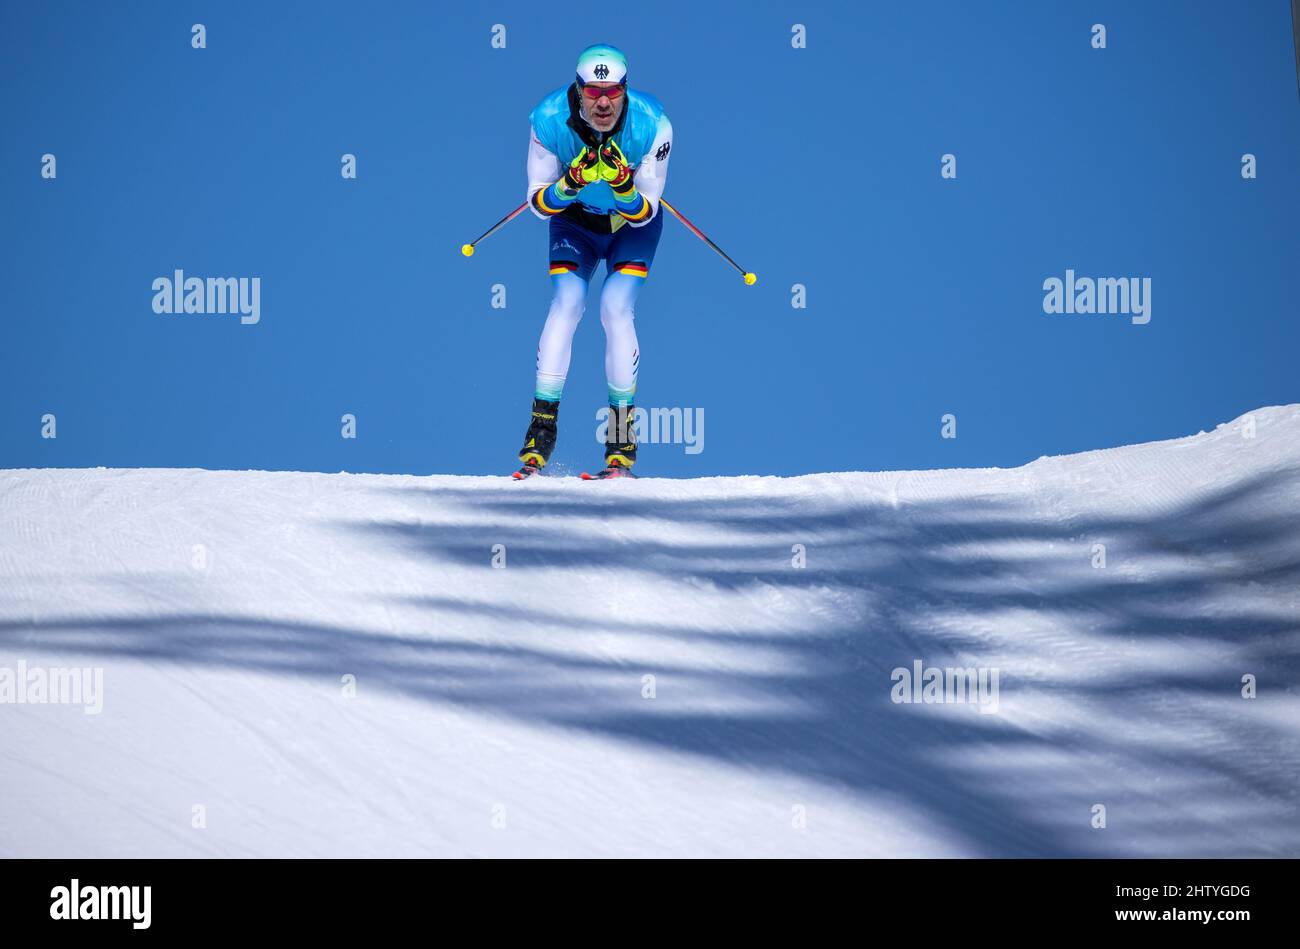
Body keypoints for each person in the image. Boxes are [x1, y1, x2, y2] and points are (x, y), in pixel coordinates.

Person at [514, 44, 672, 479]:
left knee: (614, 307)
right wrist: (570, 182)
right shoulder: (547, 120)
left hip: (630, 228)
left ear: (625, 89)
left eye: (613, 91)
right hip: (575, 225)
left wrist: (623, 185)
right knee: (567, 301)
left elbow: (647, 209)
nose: (603, 102)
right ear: (578, 89)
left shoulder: (653, 124)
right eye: (593, 91)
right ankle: (540, 431)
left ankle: (621, 442)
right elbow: (537, 203)